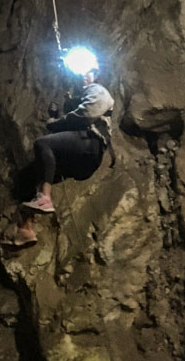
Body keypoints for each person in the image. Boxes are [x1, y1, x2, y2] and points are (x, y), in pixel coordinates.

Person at [12, 68, 114, 247]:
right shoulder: (76, 101)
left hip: (89, 145)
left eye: (87, 73)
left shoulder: (98, 90)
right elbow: (70, 126)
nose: (83, 76)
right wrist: (59, 116)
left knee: (42, 144)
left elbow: (88, 113)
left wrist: (57, 123)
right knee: (28, 176)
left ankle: (44, 198)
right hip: (78, 155)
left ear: (96, 75)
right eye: (82, 73)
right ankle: (25, 230)